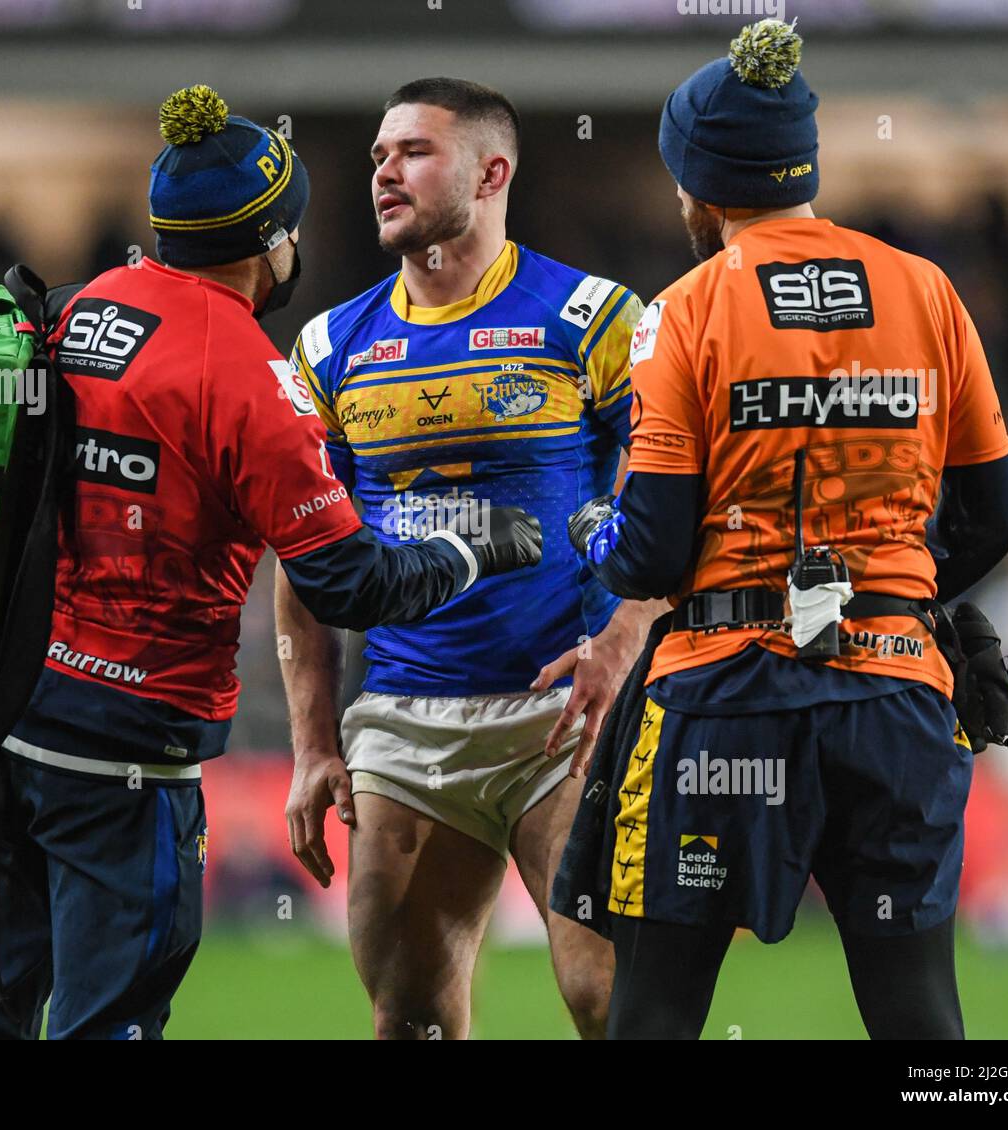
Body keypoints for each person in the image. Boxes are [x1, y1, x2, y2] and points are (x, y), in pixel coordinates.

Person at [0, 85, 542, 1041]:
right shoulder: (253, 378)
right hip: (127, 746)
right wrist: (475, 548)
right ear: (270, 241)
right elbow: (350, 582)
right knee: (108, 1024)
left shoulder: (83, 305)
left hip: (5, 717)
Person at [565, 20, 1008, 1039]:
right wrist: (902, 592)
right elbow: (992, 516)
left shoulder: (680, 310)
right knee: (918, 1014)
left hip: (726, 697)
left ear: (702, 179)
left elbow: (649, 551)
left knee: (657, 1012)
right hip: (896, 692)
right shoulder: (925, 289)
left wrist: (589, 526)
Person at [277, 77, 660, 1040]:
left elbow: (672, 497)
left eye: (412, 151)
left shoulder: (595, 317)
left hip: (567, 710)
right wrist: (314, 743)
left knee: (609, 999)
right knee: (411, 1019)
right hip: (404, 725)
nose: (383, 171)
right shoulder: (327, 348)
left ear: (493, 172)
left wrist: (623, 638)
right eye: (376, 156)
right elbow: (306, 562)